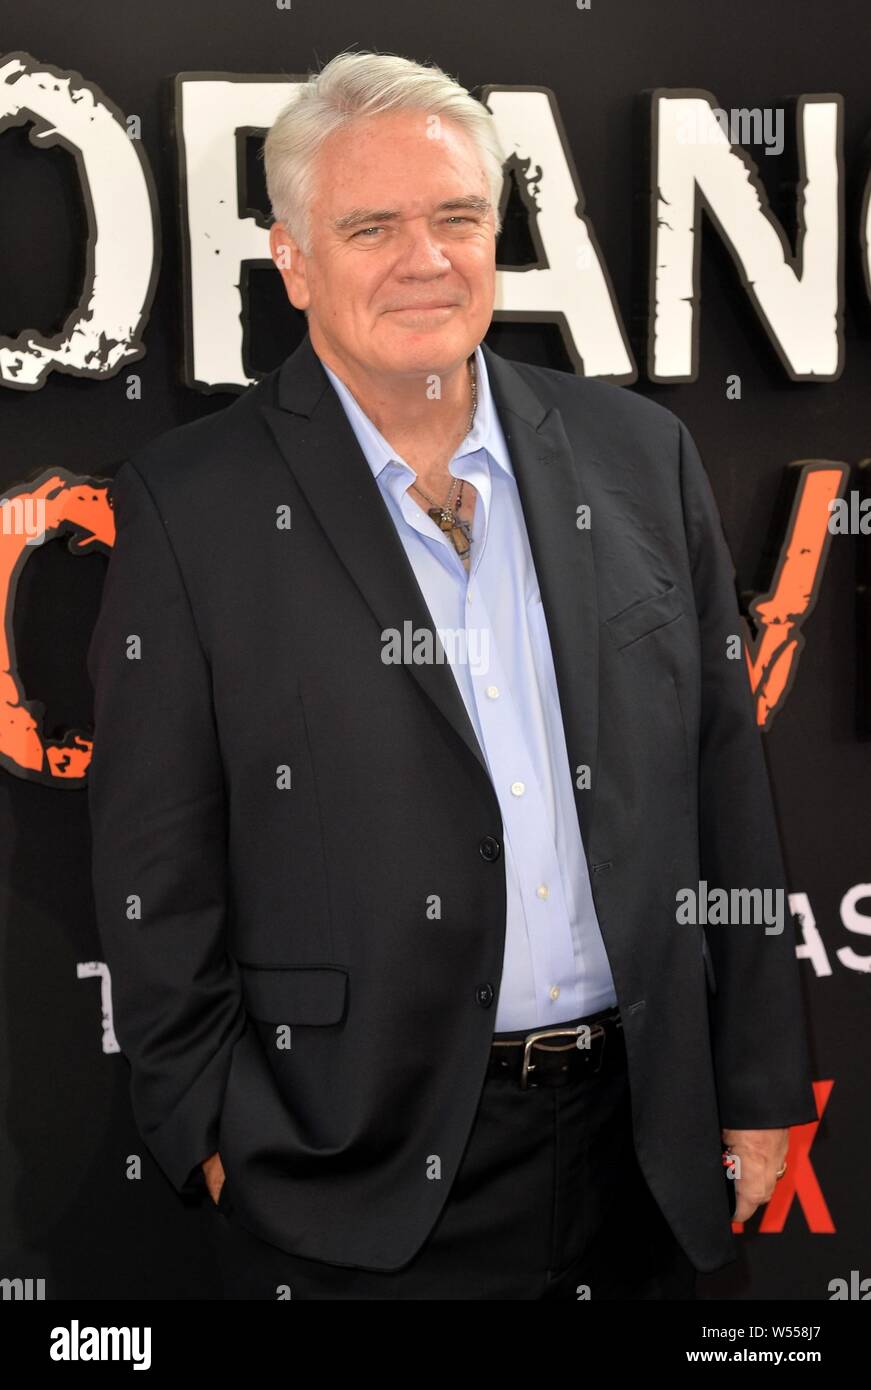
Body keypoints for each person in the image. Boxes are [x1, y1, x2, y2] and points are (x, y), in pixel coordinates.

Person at [86, 49, 817, 1300]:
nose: (425, 259)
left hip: (641, 1145)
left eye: (457, 219)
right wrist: (209, 1132)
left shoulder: (639, 456)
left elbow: (722, 783)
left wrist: (752, 1082)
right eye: (371, 226)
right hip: (353, 1173)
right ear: (294, 261)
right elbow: (155, 859)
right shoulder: (193, 506)